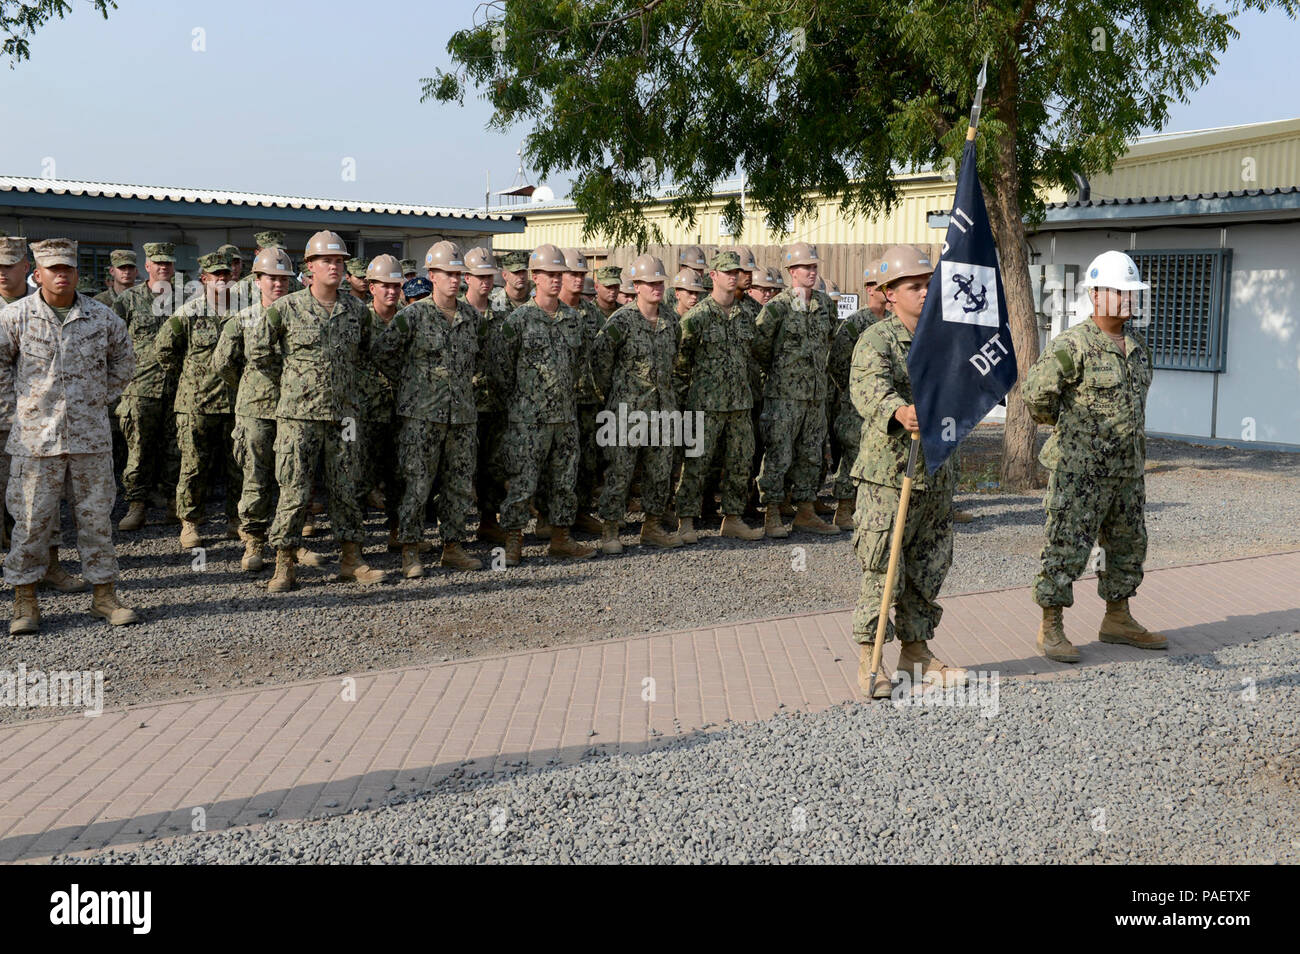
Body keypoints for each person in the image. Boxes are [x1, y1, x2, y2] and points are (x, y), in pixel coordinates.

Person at [1023, 250, 1166, 662]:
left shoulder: (1138, 347)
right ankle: (1050, 626)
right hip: (1079, 472)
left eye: (1131, 293)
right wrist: (1074, 434)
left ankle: (1117, 618)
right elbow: (1037, 396)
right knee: (1066, 547)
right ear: (1096, 293)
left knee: (1127, 545)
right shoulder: (1073, 346)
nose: (1127, 300)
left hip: (1127, 471)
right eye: (1119, 292)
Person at [0, 238, 139, 631]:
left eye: (68, 269)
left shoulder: (101, 317)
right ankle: (25, 601)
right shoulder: (16, 317)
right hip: (34, 441)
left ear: (77, 273)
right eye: (53, 269)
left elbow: (125, 361)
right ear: (37, 273)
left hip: (90, 439)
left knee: (96, 520)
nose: (61, 275)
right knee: (30, 522)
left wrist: (98, 400)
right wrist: (18, 412)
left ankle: (104, 596)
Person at [849, 245, 967, 697]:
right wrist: (898, 410)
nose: (924, 293)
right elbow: (867, 387)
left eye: (927, 284)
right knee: (884, 567)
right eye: (914, 286)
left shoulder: (945, 339)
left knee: (927, 566)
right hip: (889, 476)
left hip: (937, 472)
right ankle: (871, 657)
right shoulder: (876, 340)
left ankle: (916, 653)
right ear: (889, 293)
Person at [249, 230, 386, 591]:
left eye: (340, 261)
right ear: (309, 266)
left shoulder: (357, 311)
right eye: (327, 260)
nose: (335, 267)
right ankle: (284, 562)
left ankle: (352, 559)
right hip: (298, 417)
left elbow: (368, 354)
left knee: (347, 487)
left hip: (344, 418)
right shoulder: (286, 309)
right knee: (293, 490)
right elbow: (260, 355)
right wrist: (294, 385)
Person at [372, 241, 482, 577]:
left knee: (458, 485)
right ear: (432, 275)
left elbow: (480, 359)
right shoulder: (413, 316)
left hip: (461, 416)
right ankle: (410, 550)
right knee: (416, 485)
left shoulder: (471, 317)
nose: (454, 279)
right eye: (448, 273)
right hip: (420, 416)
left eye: (458, 273)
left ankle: (452, 546)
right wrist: (410, 385)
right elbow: (383, 353)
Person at [213, 247, 326, 573]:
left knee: (295, 479)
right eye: (271, 278)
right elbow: (222, 364)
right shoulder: (243, 319)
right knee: (256, 478)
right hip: (256, 411)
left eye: (284, 279)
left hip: (296, 410)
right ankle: (254, 542)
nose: (278, 284)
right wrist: (248, 387)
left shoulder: (304, 315)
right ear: (258, 280)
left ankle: (290, 544)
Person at [492, 243, 596, 565]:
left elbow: (579, 364)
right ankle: (512, 539)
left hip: (564, 417)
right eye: (549, 274)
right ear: (535, 276)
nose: (555, 279)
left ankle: (561, 538)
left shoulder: (573, 320)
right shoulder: (518, 320)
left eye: (559, 274)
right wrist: (522, 401)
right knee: (522, 482)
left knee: (565, 482)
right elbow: (500, 368)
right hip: (528, 420)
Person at [590, 254, 683, 553]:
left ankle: (652, 527)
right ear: (637, 286)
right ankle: (610, 530)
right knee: (620, 471)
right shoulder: (621, 321)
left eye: (660, 282)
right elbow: (600, 361)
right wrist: (615, 395)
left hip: (662, 409)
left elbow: (674, 357)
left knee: (659, 472)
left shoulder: (671, 320)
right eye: (650, 283)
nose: (656, 287)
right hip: (626, 411)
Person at [672, 250, 764, 543]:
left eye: (736, 272)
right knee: (696, 463)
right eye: (727, 272)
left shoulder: (746, 315)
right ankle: (686, 520)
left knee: (740, 463)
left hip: (739, 404)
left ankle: (733, 518)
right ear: (713, 276)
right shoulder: (696, 318)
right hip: (706, 405)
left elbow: (753, 357)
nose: (734, 276)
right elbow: (681, 365)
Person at [155, 250, 242, 550]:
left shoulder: (243, 314)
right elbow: (164, 350)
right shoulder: (188, 314)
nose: (221, 278)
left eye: (226, 274)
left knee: (238, 465)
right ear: (203, 279)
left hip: (234, 403)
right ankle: (190, 522)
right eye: (215, 274)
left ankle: (236, 520)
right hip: (196, 405)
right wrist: (190, 379)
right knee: (193, 467)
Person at [752, 241, 840, 537]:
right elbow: (760, 346)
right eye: (806, 267)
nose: (812, 272)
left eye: (814, 267)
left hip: (816, 396)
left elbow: (829, 341)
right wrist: (780, 374)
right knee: (779, 454)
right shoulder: (777, 307)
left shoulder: (825, 304)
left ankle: (805, 512)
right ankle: (773, 513)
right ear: (792, 271)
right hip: (784, 396)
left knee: (811, 455)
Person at [113, 242, 184, 529]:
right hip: (140, 388)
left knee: (176, 449)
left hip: (179, 387)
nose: (163, 267)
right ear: (148, 266)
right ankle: (137, 506)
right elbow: (112, 342)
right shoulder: (128, 300)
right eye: (158, 262)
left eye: (168, 262)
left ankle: (173, 504)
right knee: (139, 450)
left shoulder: (185, 301)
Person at [827, 260, 886, 529]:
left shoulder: (897, 322)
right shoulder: (855, 324)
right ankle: (844, 508)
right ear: (869, 288)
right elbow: (837, 362)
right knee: (854, 454)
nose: (887, 290)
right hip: (857, 404)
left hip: (886, 403)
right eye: (881, 285)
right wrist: (852, 391)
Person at [462, 247, 509, 545]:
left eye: (489, 275)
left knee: (493, 466)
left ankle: (488, 521)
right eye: (479, 276)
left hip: (494, 403)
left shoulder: (502, 317)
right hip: (462, 405)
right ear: (467, 277)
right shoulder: (456, 314)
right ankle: (450, 531)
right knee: (459, 467)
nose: (485, 281)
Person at [558, 248, 605, 535]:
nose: (578, 279)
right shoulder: (544, 311)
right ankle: (549, 519)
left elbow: (603, 354)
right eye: (572, 274)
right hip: (557, 402)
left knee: (587, 461)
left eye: (581, 274)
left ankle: (581, 513)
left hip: (588, 399)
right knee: (557, 463)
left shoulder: (592, 314)